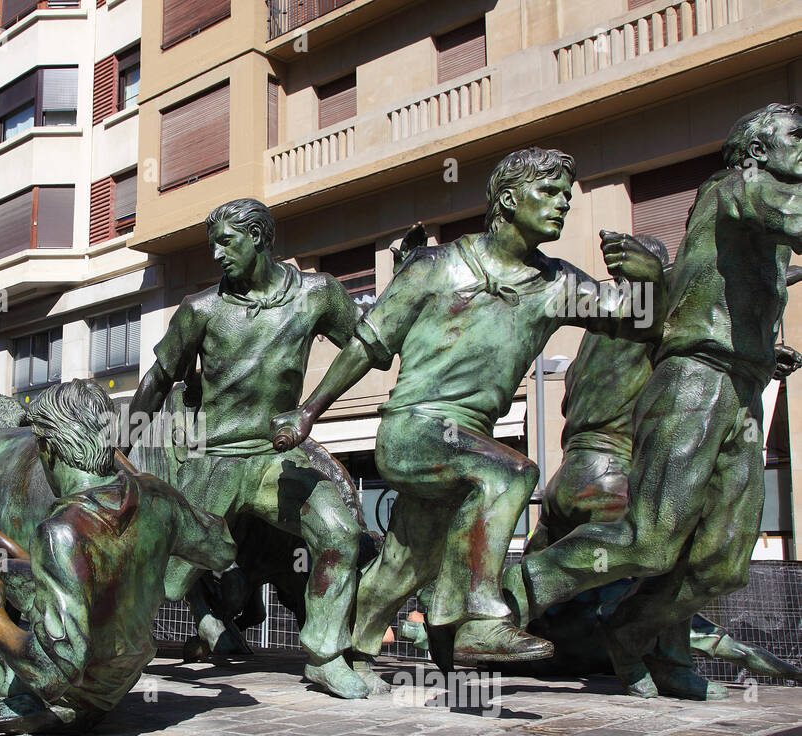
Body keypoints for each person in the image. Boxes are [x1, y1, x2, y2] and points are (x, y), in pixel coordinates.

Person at [273, 147, 667, 668]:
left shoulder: (558, 286)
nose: (563, 205)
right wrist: (308, 412)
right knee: (511, 474)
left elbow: (635, 322)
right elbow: (368, 345)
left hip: (466, 444)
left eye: (567, 196)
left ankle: (342, 648)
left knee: (402, 567)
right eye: (548, 192)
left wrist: (650, 282)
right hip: (413, 428)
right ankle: (480, 618)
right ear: (508, 198)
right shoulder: (435, 268)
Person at [507, 104, 802, 699]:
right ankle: (508, 596)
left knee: (723, 560)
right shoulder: (737, 188)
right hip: (697, 380)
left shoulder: (767, 244)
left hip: (744, 386)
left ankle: (638, 633)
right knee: (651, 538)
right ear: (755, 151)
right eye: (796, 136)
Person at [128, 198, 373, 698]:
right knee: (166, 581)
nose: (217, 254)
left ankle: (325, 653)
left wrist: (311, 411)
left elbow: (366, 344)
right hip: (211, 463)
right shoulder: (199, 310)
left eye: (226, 242)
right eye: (212, 244)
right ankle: (109, 648)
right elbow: (157, 381)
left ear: (259, 237)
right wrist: (119, 453)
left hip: (276, 458)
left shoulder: (316, 295)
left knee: (340, 532)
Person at [0, 379, 237, 736]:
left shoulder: (60, 532)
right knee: (21, 582)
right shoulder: (156, 496)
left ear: (48, 449)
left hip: (78, 693)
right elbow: (222, 548)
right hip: (127, 672)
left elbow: (57, 673)